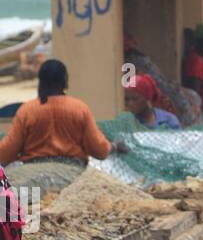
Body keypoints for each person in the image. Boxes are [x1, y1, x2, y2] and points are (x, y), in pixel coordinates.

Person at [0, 60, 116, 189]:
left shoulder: (27, 110)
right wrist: (114, 147)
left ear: (40, 81)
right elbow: (99, 150)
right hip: (72, 175)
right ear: (65, 80)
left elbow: (6, 153)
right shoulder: (79, 108)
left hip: (30, 176)